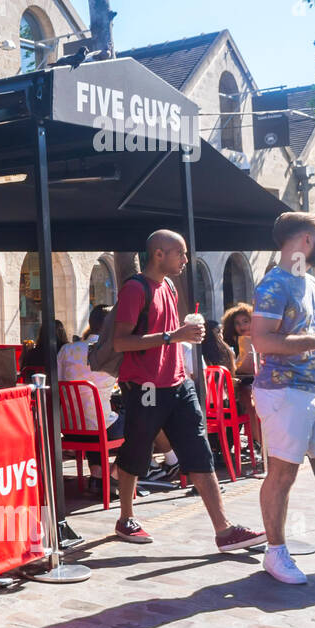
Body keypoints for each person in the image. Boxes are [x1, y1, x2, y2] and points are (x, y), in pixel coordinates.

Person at [108, 230, 265, 550]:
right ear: (158, 254)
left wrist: (186, 337)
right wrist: (173, 336)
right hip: (146, 385)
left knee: (199, 452)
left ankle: (224, 530)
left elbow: (171, 334)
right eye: (179, 253)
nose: (185, 259)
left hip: (179, 384)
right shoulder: (134, 290)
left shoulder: (168, 286)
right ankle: (126, 517)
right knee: (137, 450)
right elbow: (121, 341)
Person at [248, 212, 315, 584]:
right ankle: (275, 553)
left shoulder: (308, 282)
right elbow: (262, 341)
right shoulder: (275, 284)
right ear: (305, 240)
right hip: (283, 392)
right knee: (284, 473)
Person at [57, 307, 122, 491]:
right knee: (141, 426)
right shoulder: (113, 351)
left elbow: (59, 382)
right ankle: (114, 474)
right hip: (100, 427)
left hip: (69, 427)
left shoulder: (66, 350)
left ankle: (96, 475)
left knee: (94, 414)